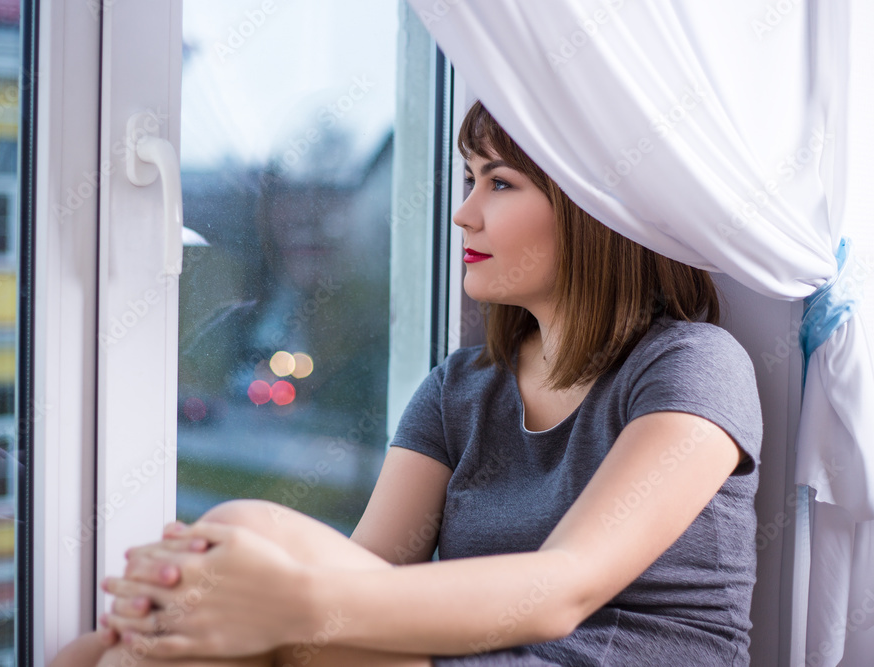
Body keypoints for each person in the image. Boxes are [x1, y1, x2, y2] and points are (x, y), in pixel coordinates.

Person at [52, 101, 762, 667]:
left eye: (500, 182)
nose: (465, 213)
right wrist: (192, 599)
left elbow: (564, 588)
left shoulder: (693, 365)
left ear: (594, 208)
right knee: (218, 559)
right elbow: (369, 569)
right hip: (471, 654)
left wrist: (279, 600)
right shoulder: (463, 388)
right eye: (469, 179)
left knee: (239, 547)